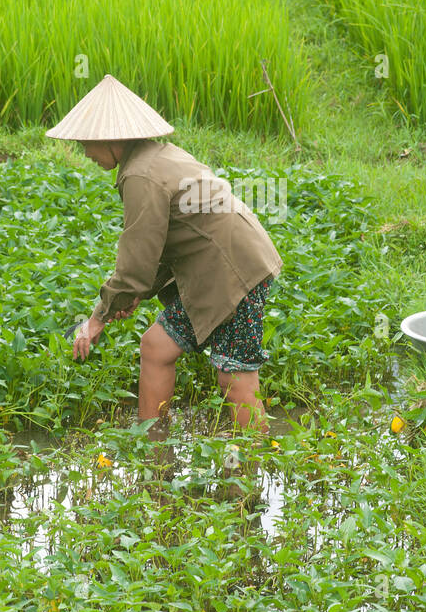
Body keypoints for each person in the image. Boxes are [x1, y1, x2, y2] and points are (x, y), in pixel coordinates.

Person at [45, 74, 283, 431]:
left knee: (235, 379)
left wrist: (98, 319)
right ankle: (152, 447)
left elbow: (137, 260)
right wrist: (129, 296)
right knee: (156, 347)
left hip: (235, 273)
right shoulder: (156, 157)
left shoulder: (142, 175)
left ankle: (255, 466)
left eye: (86, 144)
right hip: (220, 268)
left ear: (110, 139)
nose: (86, 154)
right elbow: (157, 249)